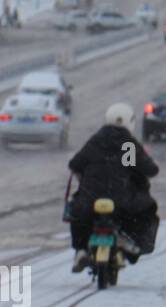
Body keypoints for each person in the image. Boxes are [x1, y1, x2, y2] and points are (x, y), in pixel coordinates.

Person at [67, 103, 159, 271]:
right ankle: (130, 241)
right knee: (146, 209)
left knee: (76, 211)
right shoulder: (127, 146)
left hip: (89, 200)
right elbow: (141, 169)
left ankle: (80, 250)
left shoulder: (95, 142)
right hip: (122, 201)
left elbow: (75, 164)